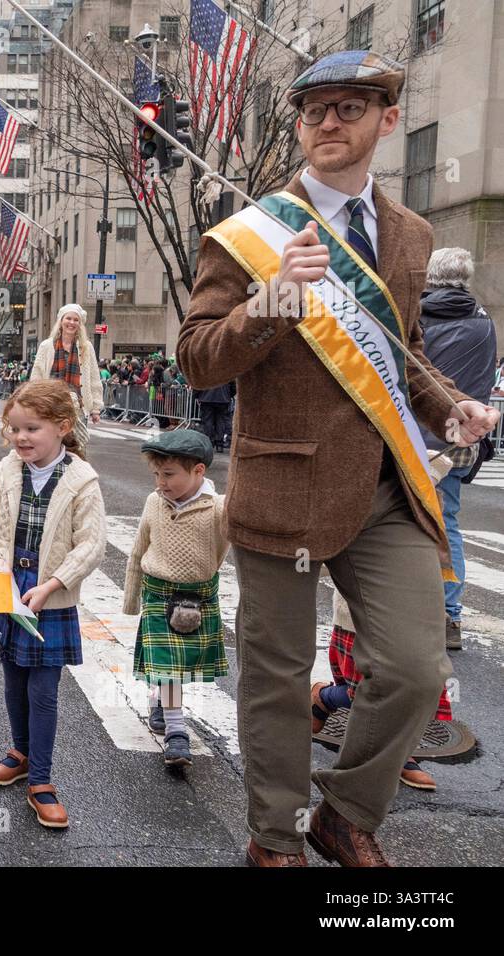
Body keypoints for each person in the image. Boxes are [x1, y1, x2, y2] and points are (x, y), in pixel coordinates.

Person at [178, 51, 500, 867]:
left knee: (417, 670)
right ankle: (275, 838)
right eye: (316, 109)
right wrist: (270, 304)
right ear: (298, 123)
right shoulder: (249, 232)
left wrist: (448, 405)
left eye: (350, 108)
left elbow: (405, 352)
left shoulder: (410, 234)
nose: (330, 123)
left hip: (386, 487)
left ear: (387, 121)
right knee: (278, 678)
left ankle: (348, 810)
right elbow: (196, 358)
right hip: (285, 484)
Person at [0, 380, 106, 829]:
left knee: (43, 689)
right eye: (14, 429)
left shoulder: (82, 480)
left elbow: (92, 545)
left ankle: (41, 779)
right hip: (6, 580)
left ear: (62, 427)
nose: (20, 438)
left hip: (50, 592)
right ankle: (20, 752)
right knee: (11, 677)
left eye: (31, 429)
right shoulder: (5, 471)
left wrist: (52, 585)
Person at [122, 430, 228, 769]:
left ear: (199, 471)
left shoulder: (218, 508)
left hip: (197, 596)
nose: (160, 483)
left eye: (169, 475)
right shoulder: (154, 502)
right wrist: (131, 600)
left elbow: (221, 550)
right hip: (158, 591)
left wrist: (205, 578)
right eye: (156, 474)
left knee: (177, 667)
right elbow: (139, 548)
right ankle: (177, 731)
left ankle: (160, 701)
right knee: (167, 664)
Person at [416, 248, 499, 651]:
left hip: (414, 437)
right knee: (447, 523)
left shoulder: (417, 317)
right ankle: (449, 614)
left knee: (397, 522)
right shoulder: (485, 322)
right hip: (460, 438)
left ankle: (407, 610)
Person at [314, 587, 452, 792]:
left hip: (418, 611)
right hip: (365, 611)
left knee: (422, 686)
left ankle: (399, 752)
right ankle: (325, 697)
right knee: (372, 690)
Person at [30, 303, 104, 455]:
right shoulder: (46, 346)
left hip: (78, 408)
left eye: (76, 320)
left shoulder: (86, 347)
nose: (72, 323)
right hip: (51, 405)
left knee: (77, 448)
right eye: (68, 318)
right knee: (50, 447)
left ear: (80, 324)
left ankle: (77, 477)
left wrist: (96, 408)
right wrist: (33, 402)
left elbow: (94, 378)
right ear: (61, 321)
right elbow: (36, 376)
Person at [194, 383, 234, 452]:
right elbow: (233, 385)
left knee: (207, 421)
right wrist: (228, 394)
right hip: (223, 398)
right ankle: (219, 444)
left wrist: (196, 395)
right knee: (220, 422)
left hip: (206, 397)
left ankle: (209, 442)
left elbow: (198, 382)